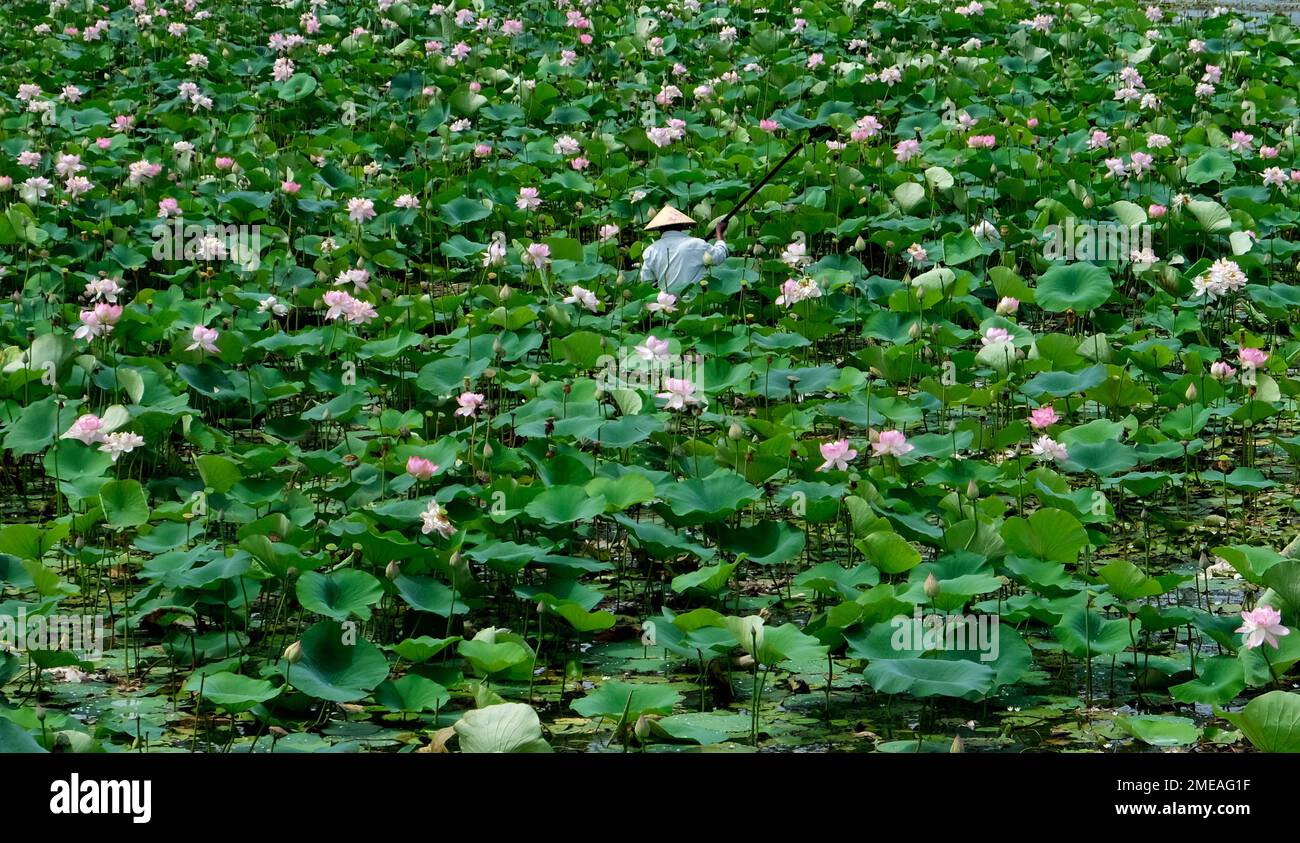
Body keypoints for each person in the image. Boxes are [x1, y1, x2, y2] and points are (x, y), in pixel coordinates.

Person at [639, 205, 728, 295]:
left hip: (667, 303)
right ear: (682, 225)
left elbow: (646, 281)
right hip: (696, 301)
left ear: (659, 228)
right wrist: (719, 233)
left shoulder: (650, 251)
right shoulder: (697, 244)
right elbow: (720, 255)